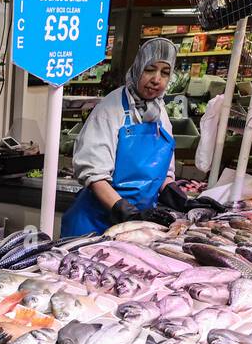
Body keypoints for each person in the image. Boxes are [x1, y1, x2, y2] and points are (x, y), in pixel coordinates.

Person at [61, 38, 178, 235]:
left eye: (164, 73)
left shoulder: (160, 113)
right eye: (150, 69)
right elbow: (95, 176)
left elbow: (163, 174)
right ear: (138, 67)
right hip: (94, 225)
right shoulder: (110, 108)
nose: (156, 79)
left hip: (136, 226)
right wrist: (126, 212)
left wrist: (179, 198)